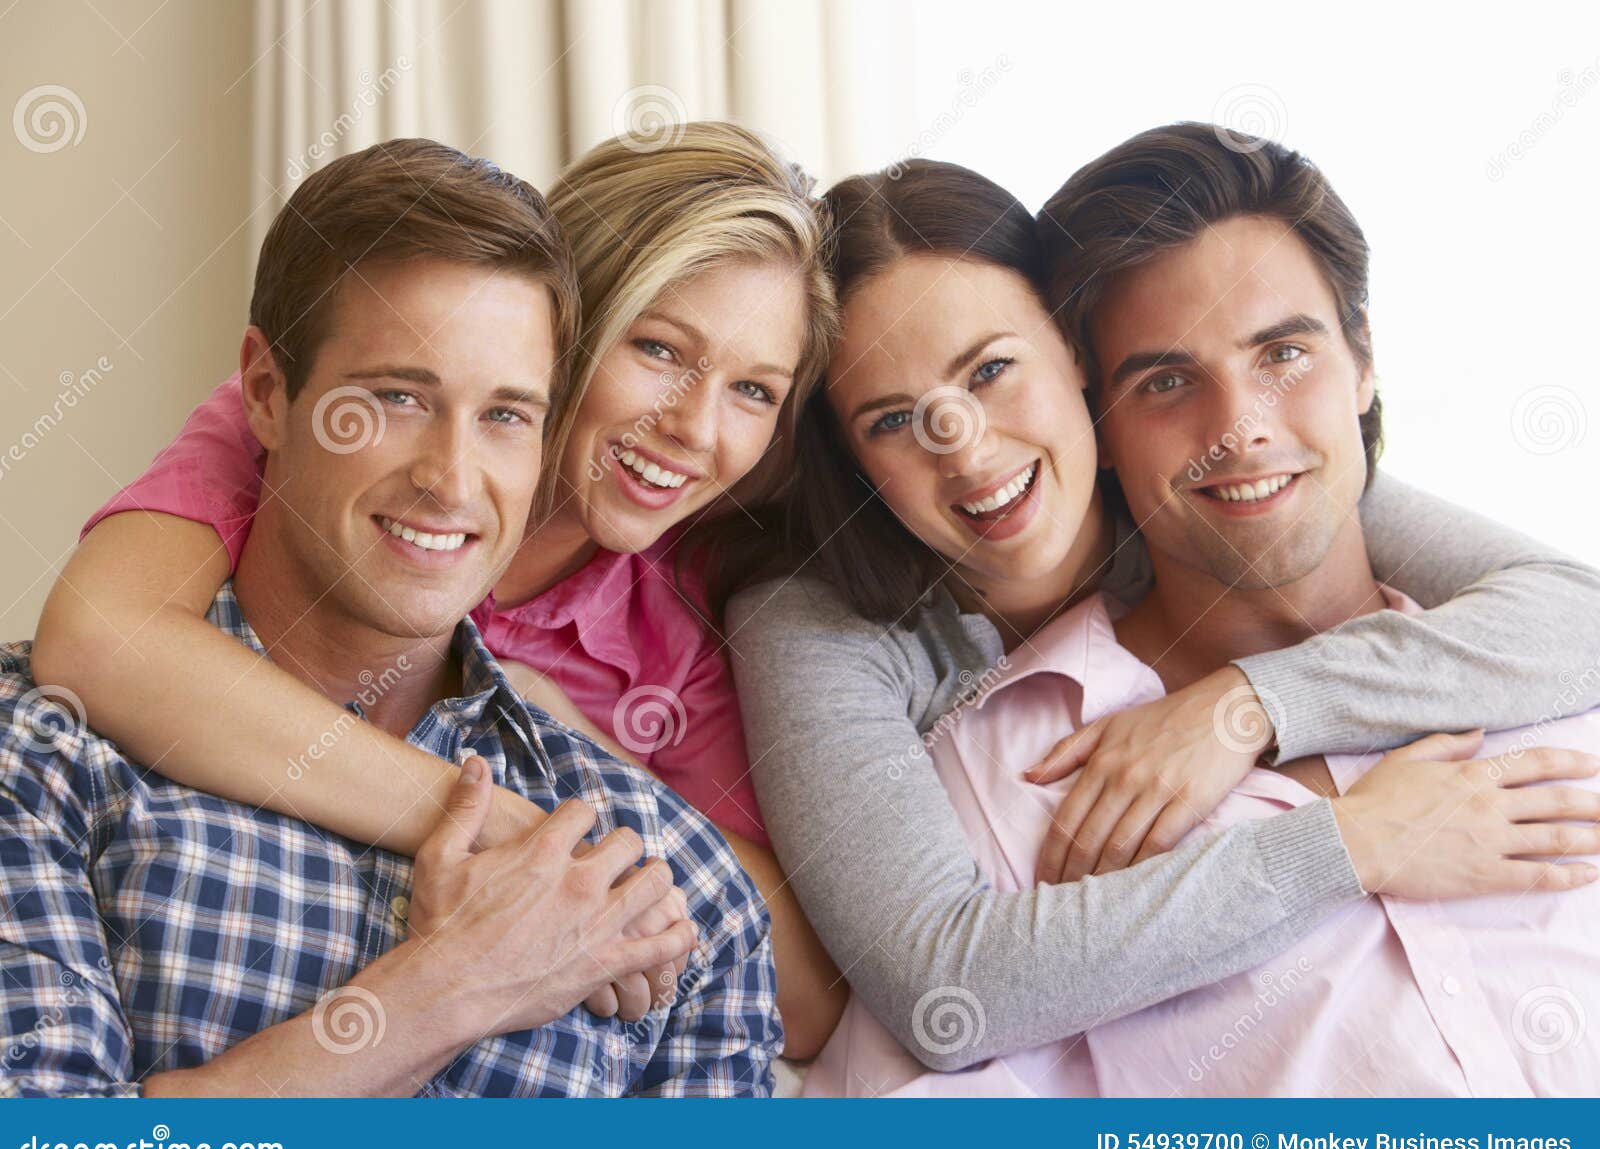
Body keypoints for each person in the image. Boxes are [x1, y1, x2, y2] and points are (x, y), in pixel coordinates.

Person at [725, 142, 1600, 1075]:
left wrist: (1247, 704)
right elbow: (944, 985)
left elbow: (1574, 611)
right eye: (893, 420)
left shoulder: (1257, 487)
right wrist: (1350, 844)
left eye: (992, 370)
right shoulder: (833, 639)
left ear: (1074, 370)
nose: (968, 451)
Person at [30, 123, 845, 1053]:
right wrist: (500, 822)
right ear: (560, 329)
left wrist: (571, 745)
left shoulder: (681, 615)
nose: (694, 428)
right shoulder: (327, 421)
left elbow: (799, 998)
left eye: (755, 391)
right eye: (658, 350)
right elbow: (98, 644)